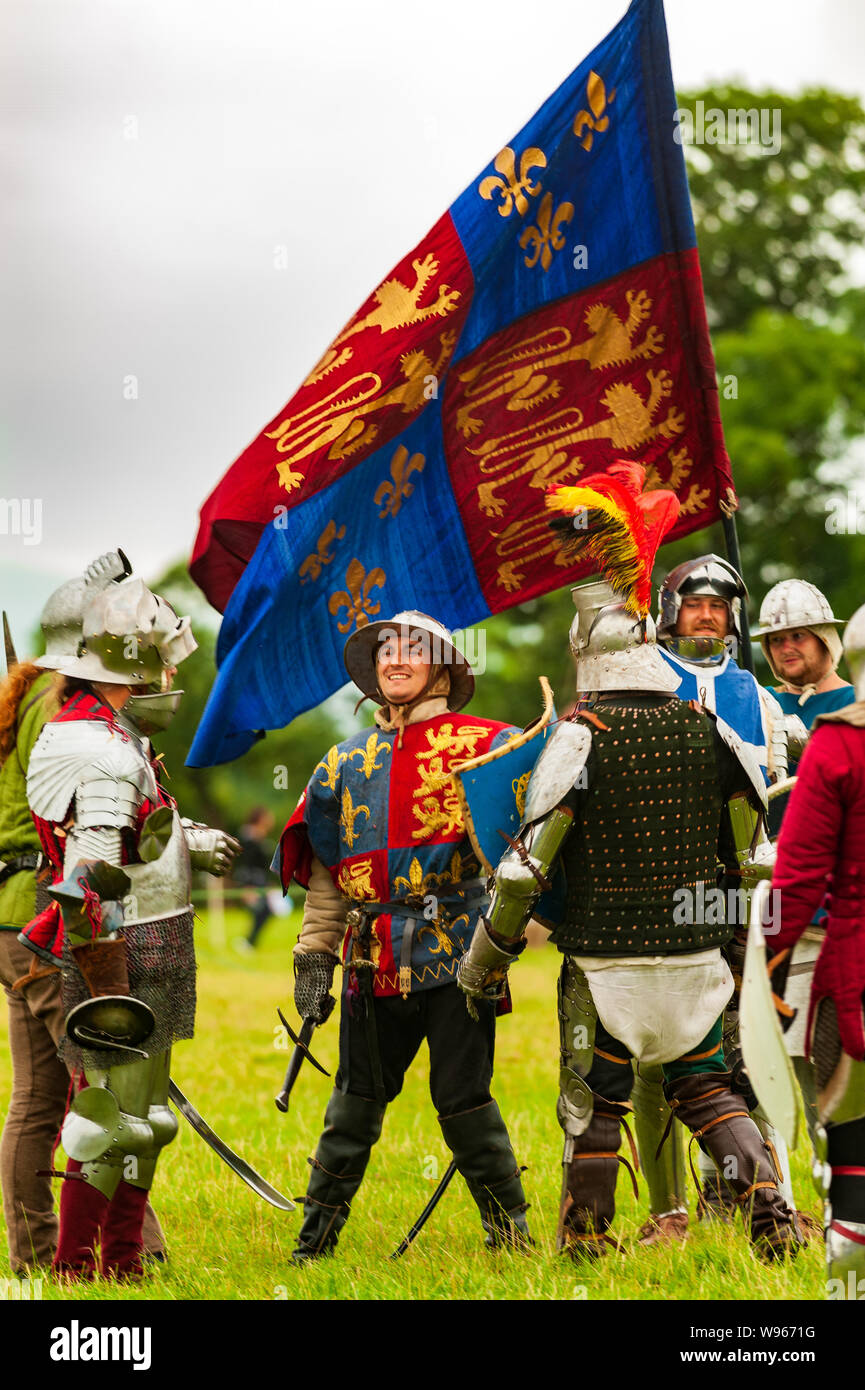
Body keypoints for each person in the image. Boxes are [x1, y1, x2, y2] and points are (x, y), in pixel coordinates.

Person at [458, 469, 798, 1262]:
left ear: (588, 651)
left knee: (594, 1102)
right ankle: (767, 1201)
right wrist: (732, 941)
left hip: (604, 956)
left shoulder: (580, 736)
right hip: (696, 956)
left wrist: (483, 965)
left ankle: (585, 1238)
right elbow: (752, 859)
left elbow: (521, 871)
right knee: (710, 1090)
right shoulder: (711, 732)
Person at [278, 611, 530, 1262]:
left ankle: (511, 1237)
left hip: (460, 951)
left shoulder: (493, 746)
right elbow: (330, 878)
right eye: (386, 648)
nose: (395, 658)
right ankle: (313, 1246)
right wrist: (312, 957)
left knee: (463, 1099)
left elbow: (541, 838)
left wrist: (512, 927)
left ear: (442, 666)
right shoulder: (340, 764)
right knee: (353, 1104)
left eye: (412, 649)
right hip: (370, 956)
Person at [20, 570, 239, 1280]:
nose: (174, 673)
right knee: (106, 1121)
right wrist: (106, 989)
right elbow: (93, 882)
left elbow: (134, 840)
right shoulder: (101, 748)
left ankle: (123, 1263)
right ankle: (75, 1269)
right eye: (167, 659)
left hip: (151, 942)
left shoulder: (118, 735)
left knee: (149, 1122)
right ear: (137, 663)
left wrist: (187, 840)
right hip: (115, 955)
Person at [0, 552, 167, 1274]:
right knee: (104, 1086)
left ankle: (40, 1257)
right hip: (49, 906)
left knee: (44, 1096)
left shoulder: (36, 693)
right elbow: (83, 829)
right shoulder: (63, 707)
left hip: (16, 915)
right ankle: (119, 1255)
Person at [632, 554, 798, 1242]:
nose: (706, 615)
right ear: (671, 611)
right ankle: (665, 1209)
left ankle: (747, 1192)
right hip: (655, 890)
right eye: (694, 603)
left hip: (736, 896)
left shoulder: (756, 695)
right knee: (651, 1051)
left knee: (743, 1048)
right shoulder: (639, 679)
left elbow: (777, 798)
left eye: (718, 606)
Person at [770, 601, 865, 1294]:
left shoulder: (838, 743)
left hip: (851, 973)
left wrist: (765, 955)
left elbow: (796, 876)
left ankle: (849, 1288)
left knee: (853, 1143)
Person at [754, 579, 855, 833]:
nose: (786, 648)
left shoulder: (857, 703)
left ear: (824, 638)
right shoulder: (761, 701)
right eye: (775, 640)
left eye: (798, 636)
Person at [233, 807, 277, 951]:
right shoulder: (248, 835)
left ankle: (249, 942)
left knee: (265, 911)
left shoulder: (261, 836)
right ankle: (248, 942)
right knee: (262, 910)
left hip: (261, 881)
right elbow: (246, 863)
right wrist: (248, 886)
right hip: (251, 882)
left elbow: (263, 865)